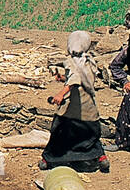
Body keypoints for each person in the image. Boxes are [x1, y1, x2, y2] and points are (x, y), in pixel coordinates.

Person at [41, 30, 109, 173]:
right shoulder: (89, 60)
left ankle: (49, 159)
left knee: (59, 130)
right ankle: (100, 157)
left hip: (74, 106)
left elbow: (74, 79)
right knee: (91, 134)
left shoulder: (71, 61)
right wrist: (62, 78)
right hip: (89, 106)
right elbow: (83, 78)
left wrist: (60, 94)